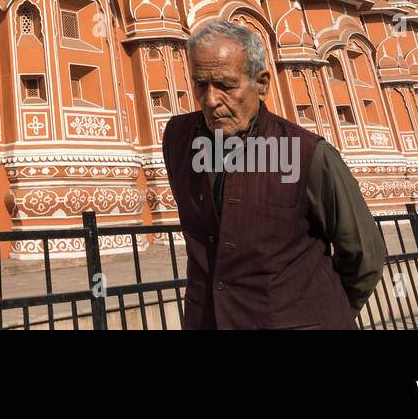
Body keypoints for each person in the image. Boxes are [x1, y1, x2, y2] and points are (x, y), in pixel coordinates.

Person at [161, 18, 385, 329]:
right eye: (201, 84)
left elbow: (365, 257)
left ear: (262, 83)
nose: (211, 101)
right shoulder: (178, 139)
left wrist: (321, 313)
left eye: (226, 85)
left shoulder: (307, 153)